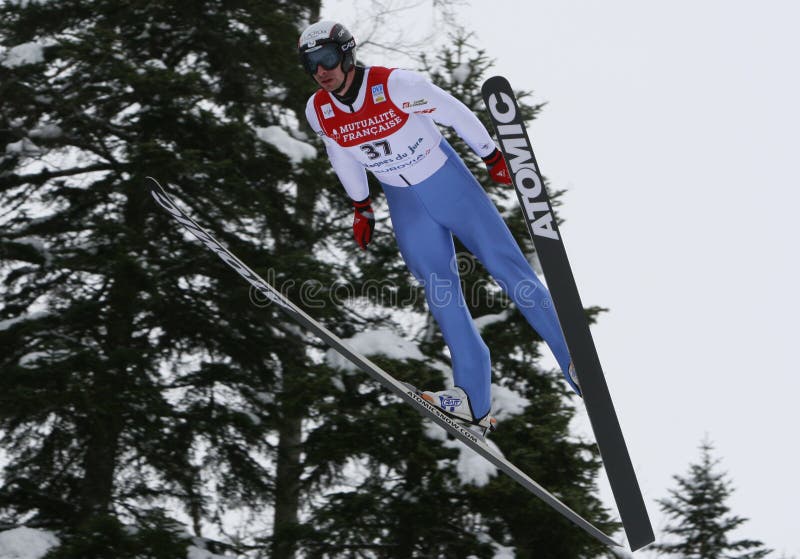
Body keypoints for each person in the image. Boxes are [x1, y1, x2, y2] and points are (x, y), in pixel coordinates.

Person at [299, 20, 580, 435]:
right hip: (405, 204)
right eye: (311, 64)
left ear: (347, 54)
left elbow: (452, 111)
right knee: (442, 293)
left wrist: (491, 155)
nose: (322, 71)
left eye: (326, 59)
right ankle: (473, 401)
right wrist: (361, 205)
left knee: (509, 271)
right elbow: (342, 155)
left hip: (447, 183)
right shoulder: (318, 110)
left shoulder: (396, 85)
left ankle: (574, 360)